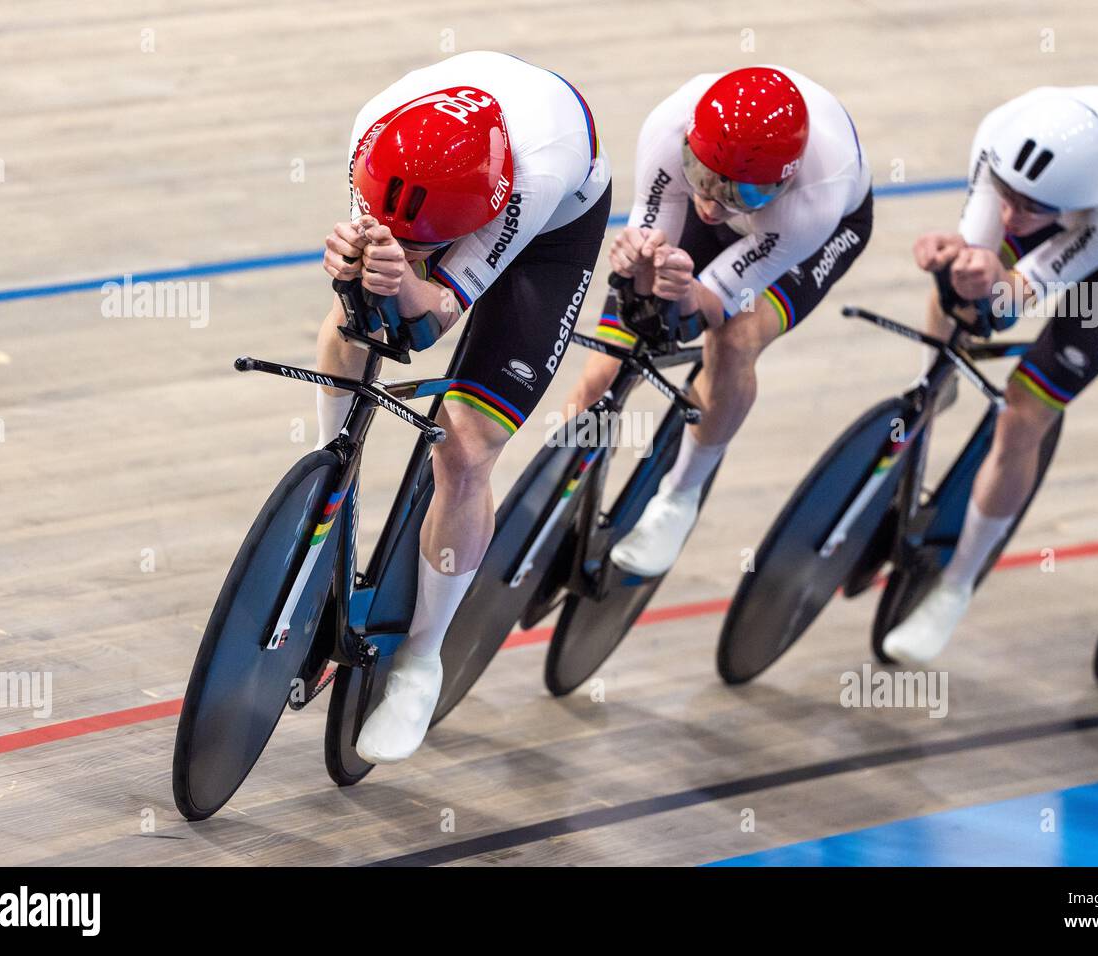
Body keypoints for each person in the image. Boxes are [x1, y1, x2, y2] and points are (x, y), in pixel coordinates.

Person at [319, 51, 611, 761]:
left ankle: (422, 658)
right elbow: (371, 286)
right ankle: (329, 485)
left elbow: (431, 322)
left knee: (467, 448)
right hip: (438, 184)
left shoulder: (535, 176)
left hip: (548, 233)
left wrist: (414, 285)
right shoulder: (374, 132)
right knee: (352, 311)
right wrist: (358, 267)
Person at [884, 86, 1098, 665]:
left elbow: (1017, 298)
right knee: (959, 291)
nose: (1010, 216)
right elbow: (979, 266)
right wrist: (959, 261)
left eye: (1027, 210)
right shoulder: (1001, 133)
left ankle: (956, 585)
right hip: (1057, 192)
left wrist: (995, 286)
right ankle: (934, 393)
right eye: (1007, 196)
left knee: (1024, 413)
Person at [564, 66, 873, 577]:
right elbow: (649, 263)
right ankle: (557, 499)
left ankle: (680, 496)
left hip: (806, 237)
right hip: (738, 204)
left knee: (734, 339)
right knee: (601, 372)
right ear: (689, 145)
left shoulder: (815, 198)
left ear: (785, 178)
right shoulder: (668, 131)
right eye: (703, 179)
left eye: (738, 193)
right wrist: (642, 275)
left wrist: (686, 297)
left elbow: (708, 308)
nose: (710, 205)